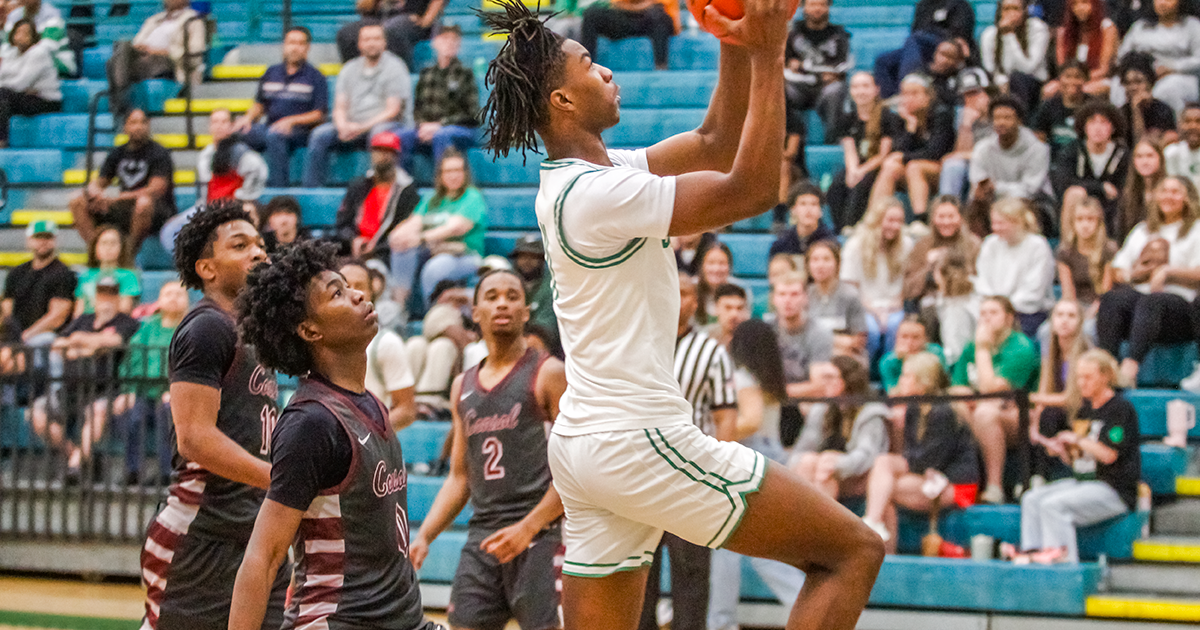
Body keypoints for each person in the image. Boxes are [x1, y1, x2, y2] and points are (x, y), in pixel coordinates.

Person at [480, 2, 886, 627]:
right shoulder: (597, 193)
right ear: (561, 100)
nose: (607, 71)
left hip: (585, 447)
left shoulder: (594, 174)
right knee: (853, 551)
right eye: (589, 65)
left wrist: (731, 37)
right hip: (636, 436)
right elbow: (753, 188)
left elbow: (715, 143)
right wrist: (769, 52)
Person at [229, 240, 436, 630]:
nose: (357, 294)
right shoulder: (311, 423)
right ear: (309, 329)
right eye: (337, 293)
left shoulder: (371, 403)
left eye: (350, 286)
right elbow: (264, 555)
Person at [138, 200, 286, 630]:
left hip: (253, 533)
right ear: (206, 268)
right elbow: (195, 439)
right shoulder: (207, 327)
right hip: (202, 536)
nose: (258, 252)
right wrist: (280, 480)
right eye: (239, 246)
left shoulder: (254, 334)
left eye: (259, 244)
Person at [403, 270, 569, 630]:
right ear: (475, 312)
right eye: (492, 297)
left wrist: (529, 527)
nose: (502, 303)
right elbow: (459, 477)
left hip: (542, 534)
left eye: (512, 296)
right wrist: (425, 535)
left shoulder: (549, 373)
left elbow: (575, 472)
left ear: (526, 311)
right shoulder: (462, 385)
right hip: (484, 537)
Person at [708, 319, 806, 630]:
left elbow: (750, 421)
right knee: (760, 549)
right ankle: (813, 611)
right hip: (773, 457)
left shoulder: (742, 377)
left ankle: (721, 623)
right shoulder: (767, 377)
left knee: (732, 546)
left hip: (751, 458)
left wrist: (709, 439)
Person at [1014, 349, 1140, 564]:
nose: (1082, 383)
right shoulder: (1084, 409)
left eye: (1088, 377)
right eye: (1079, 377)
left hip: (1113, 487)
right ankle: (1033, 556)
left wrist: (1078, 440)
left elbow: (1109, 455)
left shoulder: (1120, 408)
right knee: (1031, 499)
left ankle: (1063, 564)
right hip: (1083, 480)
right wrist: (1062, 449)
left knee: (1053, 505)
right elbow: (1077, 459)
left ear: (1105, 376)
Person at [862, 351, 978, 550]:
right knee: (883, 472)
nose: (901, 380)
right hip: (926, 475)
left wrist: (899, 464)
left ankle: (878, 538)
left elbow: (931, 461)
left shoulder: (944, 411)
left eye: (907, 376)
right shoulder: (914, 408)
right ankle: (875, 527)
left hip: (955, 484)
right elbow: (911, 454)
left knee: (884, 487)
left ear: (923, 382)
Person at [34, 277, 140, 481]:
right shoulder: (83, 319)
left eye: (111, 295)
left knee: (97, 412)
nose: (106, 300)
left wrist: (78, 342)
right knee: (36, 414)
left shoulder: (126, 322)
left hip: (105, 389)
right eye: (102, 294)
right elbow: (58, 344)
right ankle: (77, 455)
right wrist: (92, 347)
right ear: (95, 297)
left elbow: (114, 341)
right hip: (69, 388)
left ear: (118, 298)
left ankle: (75, 466)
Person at [1099, 175, 1200, 385]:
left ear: (1188, 198)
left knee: (1152, 301)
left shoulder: (1195, 229)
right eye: (1164, 191)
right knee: (1112, 299)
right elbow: (1117, 269)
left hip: (1181, 310)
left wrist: (1168, 272)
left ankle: (1130, 370)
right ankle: (1106, 367)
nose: (1168, 196)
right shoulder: (1142, 230)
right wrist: (1133, 274)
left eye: (1175, 192)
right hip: (1142, 307)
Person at [950, 295, 1041, 503]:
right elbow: (957, 386)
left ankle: (994, 486)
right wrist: (968, 395)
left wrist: (983, 349)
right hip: (985, 410)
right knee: (959, 405)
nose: (987, 318)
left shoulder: (1020, 346)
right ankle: (966, 482)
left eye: (993, 313)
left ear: (1009, 318)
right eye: (983, 313)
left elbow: (992, 390)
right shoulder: (970, 347)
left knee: (985, 412)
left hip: (1022, 416)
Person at [302, 23, 412, 187]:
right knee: (320, 134)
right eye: (367, 39)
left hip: (386, 124)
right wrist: (342, 125)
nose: (371, 43)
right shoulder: (349, 69)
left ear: (384, 43)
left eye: (376, 39)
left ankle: (375, 187)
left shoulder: (395, 67)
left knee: (378, 134)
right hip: (353, 124)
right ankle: (312, 190)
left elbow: (392, 111)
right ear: (359, 44)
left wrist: (361, 127)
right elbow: (340, 106)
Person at [388, 149, 487, 311]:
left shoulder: (472, 197)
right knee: (402, 247)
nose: (453, 175)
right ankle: (399, 307)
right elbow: (414, 222)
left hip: (464, 255)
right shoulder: (433, 199)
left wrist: (421, 238)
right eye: (448, 171)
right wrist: (397, 235)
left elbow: (455, 228)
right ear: (440, 175)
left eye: (458, 170)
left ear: (465, 173)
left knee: (434, 268)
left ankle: (433, 316)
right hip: (432, 251)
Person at [68, 109, 176, 255]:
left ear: (148, 125)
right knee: (76, 201)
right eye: (133, 122)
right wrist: (94, 193)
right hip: (124, 207)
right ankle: (97, 253)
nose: (138, 127)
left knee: (143, 203)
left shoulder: (160, 153)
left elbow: (155, 190)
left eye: (142, 122)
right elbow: (100, 182)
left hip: (157, 210)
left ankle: (128, 255)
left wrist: (116, 198)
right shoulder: (117, 153)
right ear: (125, 126)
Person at [114, 279, 188, 485]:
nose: (173, 299)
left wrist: (176, 391)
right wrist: (129, 391)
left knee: (167, 413)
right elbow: (132, 360)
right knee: (132, 416)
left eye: (179, 294)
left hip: (177, 395)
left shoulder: (190, 328)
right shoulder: (146, 328)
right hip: (144, 391)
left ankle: (167, 472)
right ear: (159, 300)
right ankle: (133, 471)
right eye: (168, 294)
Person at [235, 27, 328, 188]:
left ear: (307, 48)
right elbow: (259, 104)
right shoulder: (271, 72)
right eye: (291, 43)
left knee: (275, 136)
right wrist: (248, 118)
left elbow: (319, 114)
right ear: (284, 46)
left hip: (300, 132)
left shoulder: (316, 77)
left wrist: (290, 121)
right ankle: (240, 187)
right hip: (269, 127)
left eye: (300, 43)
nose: (295, 48)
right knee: (236, 132)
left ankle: (279, 189)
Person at [791, 356, 890, 499]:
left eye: (829, 377)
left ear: (847, 381)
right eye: (823, 378)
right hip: (822, 470)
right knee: (808, 461)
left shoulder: (870, 411)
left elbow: (867, 455)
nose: (823, 383)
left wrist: (837, 464)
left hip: (858, 476)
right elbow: (801, 451)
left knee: (825, 471)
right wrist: (819, 461)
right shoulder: (820, 409)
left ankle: (817, 513)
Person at [341, 260, 417, 430]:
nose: (353, 292)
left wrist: (366, 435)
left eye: (359, 286)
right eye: (345, 287)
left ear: (372, 292)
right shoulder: (319, 344)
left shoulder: (386, 343)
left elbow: (406, 410)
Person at [870, 73, 956, 219]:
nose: (909, 98)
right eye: (905, 94)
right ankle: (874, 218)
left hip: (941, 166)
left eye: (914, 93)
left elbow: (935, 152)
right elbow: (897, 150)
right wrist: (910, 128)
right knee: (890, 167)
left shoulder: (941, 114)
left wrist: (904, 157)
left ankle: (920, 218)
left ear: (928, 96)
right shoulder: (902, 118)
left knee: (914, 167)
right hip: (913, 166)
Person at [825, 72, 901, 231]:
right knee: (836, 185)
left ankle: (853, 227)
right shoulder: (847, 118)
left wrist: (862, 171)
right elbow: (849, 150)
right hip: (858, 164)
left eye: (866, 86)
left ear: (876, 89)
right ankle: (840, 229)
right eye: (856, 87)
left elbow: (883, 154)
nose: (861, 91)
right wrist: (853, 170)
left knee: (861, 184)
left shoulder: (887, 117)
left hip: (876, 165)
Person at [840, 197, 913, 360]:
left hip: (894, 305)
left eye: (899, 221)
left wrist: (892, 306)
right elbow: (850, 287)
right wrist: (875, 311)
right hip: (864, 305)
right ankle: (866, 368)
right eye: (890, 220)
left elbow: (907, 282)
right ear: (877, 220)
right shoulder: (855, 246)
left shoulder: (906, 244)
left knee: (895, 327)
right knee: (870, 329)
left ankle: (889, 369)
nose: (895, 226)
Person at [105, 0, 205, 118]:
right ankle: (120, 95)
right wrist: (141, 48)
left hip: (169, 62)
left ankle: (118, 100)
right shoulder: (153, 20)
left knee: (115, 62)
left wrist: (160, 51)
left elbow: (195, 53)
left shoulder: (193, 20)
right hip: (143, 60)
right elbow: (137, 42)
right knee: (121, 46)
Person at [967, 97, 1052, 235]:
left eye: (1007, 118)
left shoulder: (1037, 149)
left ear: (1019, 121)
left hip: (1035, 204)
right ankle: (977, 244)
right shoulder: (982, 148)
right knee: (977, 200)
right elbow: (978, 181)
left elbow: (1030, 189)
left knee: (1022, 202)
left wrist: (996, 188)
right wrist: (985, 190)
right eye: (997, 118)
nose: (1001, 122)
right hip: (993, 201)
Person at [1028, 299, 1092, 482]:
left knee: (1050, 415)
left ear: (1080, 322)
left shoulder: (1086, 353)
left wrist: (1029, 398)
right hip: (1058, 412)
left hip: (1082, 412)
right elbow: (1044, 394)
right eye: (1059, 315)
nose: (1064, 320)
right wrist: (1034, 421)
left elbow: (1073, 398)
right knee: (1035, 418)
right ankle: (1036, 478)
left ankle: (1048, 475)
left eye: (1071, 316)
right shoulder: (1050, 354)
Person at [399, 24, 478, 170]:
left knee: (442, 135)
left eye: (454, 39)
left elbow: (472, 114)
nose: (450, 43)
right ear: (435, 43)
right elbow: (417, 109)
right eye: (445, 38)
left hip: (460, 130)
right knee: (402, 136)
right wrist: (422, 126)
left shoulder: (466, 73)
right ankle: (403, 180)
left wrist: (440, 125)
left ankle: (441, 181)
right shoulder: (426, 73)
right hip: (429, 129)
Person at [975, 197, 1057, 337]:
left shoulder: (1037, 246)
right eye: (994, 223)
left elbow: (1034, 289)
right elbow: (983, 279)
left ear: (1017, 222)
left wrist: (1005, 309)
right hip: (993, 310)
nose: (996, 228)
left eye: (1001, 223)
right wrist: (994, 307)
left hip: (1026, 313)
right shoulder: (990, 244)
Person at [335, 131, 421, 260]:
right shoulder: (358, 185)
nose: (382, 155)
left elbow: (403, 230)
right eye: (378, 150)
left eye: (387, 151)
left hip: (386, 254)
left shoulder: (407, 191)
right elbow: (343, 223)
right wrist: (353, 240)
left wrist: (376, 248)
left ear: (396, 156)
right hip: (352, 250)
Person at [783, 0, 851, 156]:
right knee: (780, 89)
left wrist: (831, 74)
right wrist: (790, 65)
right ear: (803, 7)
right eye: (813, 4)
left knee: (835, 90)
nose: (817, 9)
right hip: (798, 86)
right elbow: (782, 61)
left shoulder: (839, 34)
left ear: (828, 7)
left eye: (821, 4)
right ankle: (790, 141)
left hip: (826, 88)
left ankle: (831, 145)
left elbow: (842, 67)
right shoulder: (792, 32)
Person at [1053, 100, 1130, 234]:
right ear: (1084, 127)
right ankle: (1069, 243)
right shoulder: (1072, 150)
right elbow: (1062, 182)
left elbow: (1124, 185)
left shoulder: (1122, 154)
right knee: (1074, 193)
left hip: (1112, 206)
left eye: (1104, 122)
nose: (1097, 128)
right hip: (1081, 204)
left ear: (1113, 128)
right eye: (1092, 122)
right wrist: (1099, 187)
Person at [873, 0, 975, 98]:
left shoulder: (960, 4)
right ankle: (891, 99)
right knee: (882, 60)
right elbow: (915, 29)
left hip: (943, 43)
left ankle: (908, 86)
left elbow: (960, 36)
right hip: (920, 46)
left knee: (915, 40)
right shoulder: (923, 5)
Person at [1116, 0, 1200, 114]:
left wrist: (1172, 67)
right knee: (1117, 86)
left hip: (1179, 75)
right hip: (1142, 74)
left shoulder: (1192, 26)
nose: (1162, 3)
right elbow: (1123, 55)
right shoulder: (1140, 26)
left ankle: (1169, 123)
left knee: (1166, 89)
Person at [2, 219, 75, 345]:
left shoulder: (63, 273)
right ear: (29, 240)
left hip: (45, 335)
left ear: (55, 241)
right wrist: (11, 334)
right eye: (38, 238)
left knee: (43, 340)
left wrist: (27, 335)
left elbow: (58, 316)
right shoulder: (16, 272)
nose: (43, 242)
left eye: (48, 238)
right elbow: (6, 310)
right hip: (16, 334)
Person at [901, 196, 980, 311]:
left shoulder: (973, 245)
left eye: (951, 216)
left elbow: (979, 281)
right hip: (928, 305)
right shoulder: (922, 245)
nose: (946, 222)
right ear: (933, 218)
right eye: (941, 217)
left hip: (965, 302)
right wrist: (928, 266)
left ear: (960, 217)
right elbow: (908, 289)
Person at [980, 0, 1051, 110]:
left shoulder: (1037, 28)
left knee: (1017, 78)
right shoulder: (989, 34)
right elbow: (990, 68)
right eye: (1006, 9)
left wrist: (1009, 35)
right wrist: (1002, 80)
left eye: (1015, 9)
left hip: (1033, 83)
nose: (1011, 14)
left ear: (1024, 11)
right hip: (1002, 84)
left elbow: (1028, 68)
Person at [335, 0, 447, 69]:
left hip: (413, 17)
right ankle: (356, 78)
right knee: (346, 34)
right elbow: (363, 7)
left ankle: (399, 76)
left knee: (392, 30)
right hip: (379, 18)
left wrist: (427, 18)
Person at [0, 18, 59, 148]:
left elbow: (22, 83)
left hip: (46, 100)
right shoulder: (10, 54)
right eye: (18, 32)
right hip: (23, 96)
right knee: (3, 95)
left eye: (26, 33)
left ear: (33, 36)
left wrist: (9, 86)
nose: (21, 36)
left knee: (2, 95)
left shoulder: (39, 53)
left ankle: (1, 140)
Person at [937, 67, 992, 202]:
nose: (971, 99)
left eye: (975, 93)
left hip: (992, 162)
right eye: (967, 95)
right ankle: (948, 207)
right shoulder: (963, 115)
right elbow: (961, 151)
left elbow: (993, 151)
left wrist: (961, 155)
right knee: (953, 166)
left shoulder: (999, 114)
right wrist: (966, 126)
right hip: (971, 161)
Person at [1056, 197, 1118, 316]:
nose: (1085, 225)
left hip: (1102, 308)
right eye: (1080, 219)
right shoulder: (1065, 253)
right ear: (1073, 223)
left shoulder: (1109, 250)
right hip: (1076, 307)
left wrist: (1090, 315)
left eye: (1090, 219)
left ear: (1098, 222)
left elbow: (1106, 293)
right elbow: (1068, 294)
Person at [579, 0, 680, 71]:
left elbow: (660, 5)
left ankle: (661, 66)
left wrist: (637, 7)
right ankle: (587, 66)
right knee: (591, 14)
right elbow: (616, 4)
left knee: (659, 17)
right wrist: (634, 7)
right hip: (624, 17)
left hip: (650, 18)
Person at [805, 240, 868, 352]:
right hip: (812, 354)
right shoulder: (803, 295)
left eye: (826, 259)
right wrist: (838, 340)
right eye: (815, 260)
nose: (820, 265)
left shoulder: (851, 295)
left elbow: (858, 341)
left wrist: (819, 339)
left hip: (845, 355)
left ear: (838, 264)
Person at [1048, 0, 1118, 98]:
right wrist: (1071, 80)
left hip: (1098, 79)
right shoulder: (1063, 31)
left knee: (1085, 90)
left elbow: (1104, 70)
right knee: (1049, 90)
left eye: (1085, 3)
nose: (1080, 8)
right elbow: (1061, 66)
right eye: (1075, 4)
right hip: (1069, 79)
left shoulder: (1106, 28)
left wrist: (1078, 80)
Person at [198, 109, 268, 203]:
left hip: (235, 206)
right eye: (215, 122)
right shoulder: (205, 155)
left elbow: (258, 173)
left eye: (224, 122)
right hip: (211, 206)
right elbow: (204, 188)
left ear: (232, 125)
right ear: (209, 126)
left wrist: (242, 198)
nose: (219, 126)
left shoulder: (242, 154)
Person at [74, 225, 140, 316]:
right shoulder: (86, 275)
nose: (108, 247)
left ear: (121, 248)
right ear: (95, 248)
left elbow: (124, 308)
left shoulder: (128, 275)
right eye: (104, 243)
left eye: (113, 243)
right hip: (87, 321)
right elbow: (78, 311)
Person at [1031, 60, 1089, 164]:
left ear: (1085, 80)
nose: (1072, 81)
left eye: (1078, 77)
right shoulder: (1048, 105)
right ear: (1060, 79)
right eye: (1068, 76)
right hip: (1054, 160)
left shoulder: (1093, 106)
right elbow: (1039, 136)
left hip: (1083, 161)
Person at [1115, 53, 1178, 148]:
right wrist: (1136, 111)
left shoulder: (1163, 110)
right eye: (1128, 83)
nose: (1133, 87)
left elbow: (1145, 146)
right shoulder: (1121, 114)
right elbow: (1134, 147)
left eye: (1138, 82)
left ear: (1150, 83)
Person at [931, 249, 980, 365]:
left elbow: (956, 351)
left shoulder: (957, 307)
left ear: (939, 272)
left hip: (963, 365)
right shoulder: (973, 293)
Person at [0, 0, 74, 75]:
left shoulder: (53, 15)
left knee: (38, 55)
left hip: (57, 64)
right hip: (22, 65)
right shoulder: (14, 16)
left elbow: (46, 49)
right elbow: (6, 47)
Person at [878, 317, 946, 393]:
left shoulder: (936, 353)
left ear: (925, 339)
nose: (909, 342)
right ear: (896, 338)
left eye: (915, 337)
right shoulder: (888, 362)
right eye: (904, 336)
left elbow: (943, 387)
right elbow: (892, 393)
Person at [771, 180, 837, 258]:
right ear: (792, 210)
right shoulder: (782, 243)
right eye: (803, 204)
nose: (808, 209)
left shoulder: (830, 243)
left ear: (821, 211)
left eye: (814, 204)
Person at [1119, 138, 1167, 239]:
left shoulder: (1169, 192)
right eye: (1139, 156)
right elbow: (1122, 233)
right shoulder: (1127, 195)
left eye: (1150, 156)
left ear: (1160, 158)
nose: (1144, 162)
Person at [697, 243, 748, 325]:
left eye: (722, 263)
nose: (716, 269)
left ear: (729, 266)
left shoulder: (741, 289)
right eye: (711, 263)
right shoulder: (691, 289)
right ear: (702, 266)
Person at [1164, 102, 1200, 190]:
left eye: (1198, 121)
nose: (1193, 126)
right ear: (1180, 125)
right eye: (1187, 121)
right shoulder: (1171, 153)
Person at [710, 283, 751, 349]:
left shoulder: (754, 340)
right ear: (716, 308)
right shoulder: (704, 337)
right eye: (728, 307)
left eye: (739, 308)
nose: (734, 314)